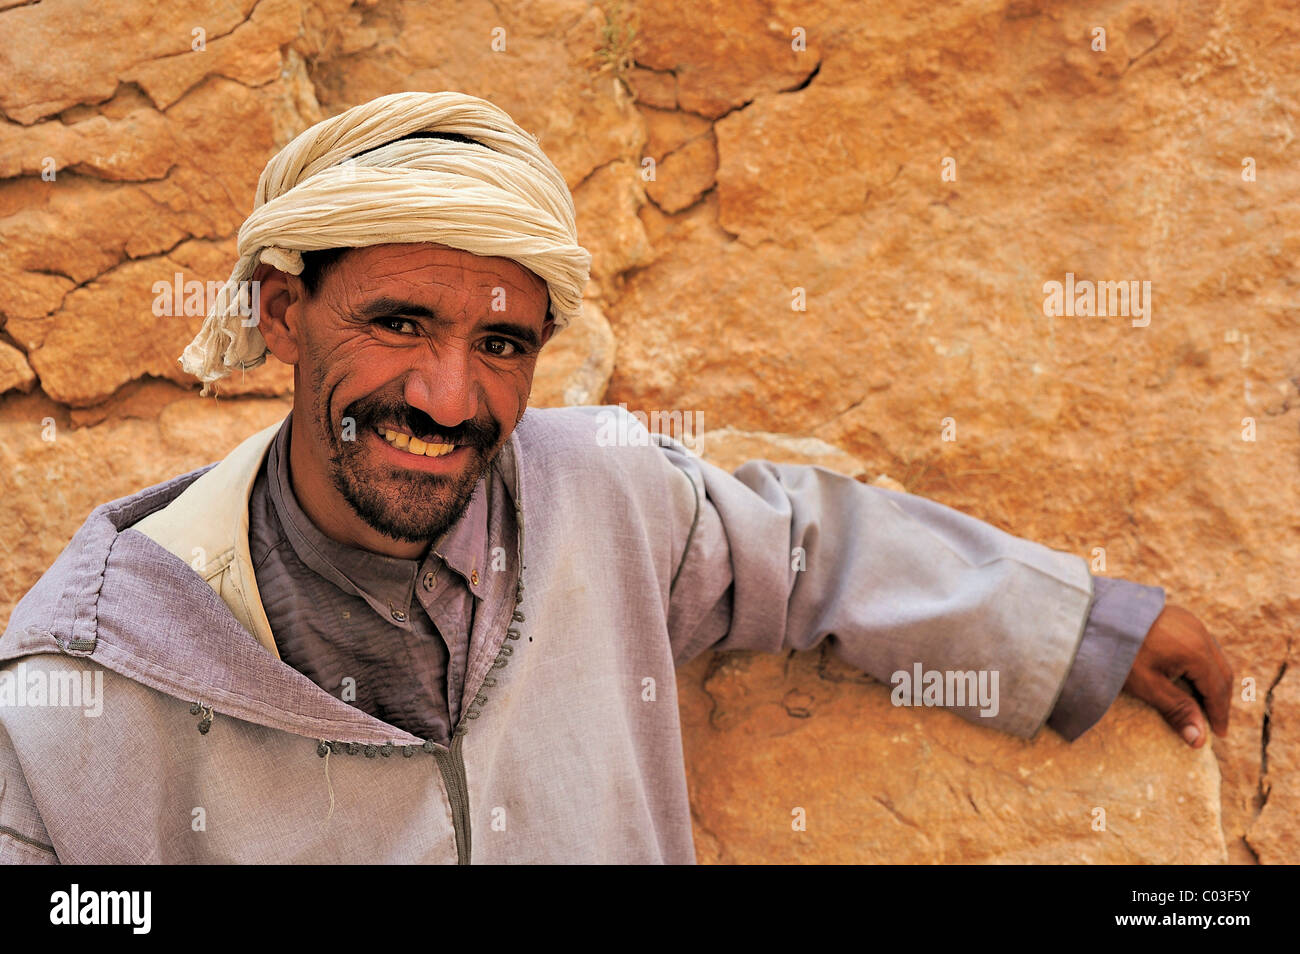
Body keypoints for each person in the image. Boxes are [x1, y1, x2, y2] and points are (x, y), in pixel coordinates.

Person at [0, 91, 1232, 864]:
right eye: (397, 322)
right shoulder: (94, 674)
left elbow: (804, 551)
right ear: (282, 313)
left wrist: (1073, 625)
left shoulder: (598, 494)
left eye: (500, 345)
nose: (445, 398)